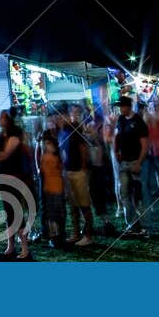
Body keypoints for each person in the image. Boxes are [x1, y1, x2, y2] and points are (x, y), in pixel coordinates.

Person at [0, 108, 33, 259]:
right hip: (4, 178)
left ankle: (24, 247)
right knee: (9, 212)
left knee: (16, 212)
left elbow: (4, 154)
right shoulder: (1, 135)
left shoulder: (15, 134)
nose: (0, 119)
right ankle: (11, 245)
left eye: (3, 117)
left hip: (14, 177)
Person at [110, 96, 148, 234]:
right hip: (124, 162)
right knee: (124, 194)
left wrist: (139, 162)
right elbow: (117, 136)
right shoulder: (121, 119)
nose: (120, 109)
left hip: (134, 162)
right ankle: (132, 224)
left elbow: (145, 145)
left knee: (137, 195)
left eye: (121, 106)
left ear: (128, 106)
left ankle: (143, 224)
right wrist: (116, 151)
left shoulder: (139, 122)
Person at [58, 105, 96, 246]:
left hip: (78, 171)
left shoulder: (75, 129)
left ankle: (88, 235)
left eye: (63, 116)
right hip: (67, 172)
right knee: (73, 205)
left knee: (84, 204)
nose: (60, 119)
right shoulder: (62, 131)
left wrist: (84, 168)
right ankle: (76, 233)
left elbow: (83, 148)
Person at [38, 127, 66, 248]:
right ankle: (54, 236)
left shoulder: (56, 157)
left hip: (57, 189)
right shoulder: (44, 157)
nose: (46, 145)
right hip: (49, 189)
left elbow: (61, 171)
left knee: (58, 213)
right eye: (45, 144)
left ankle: (59, 234)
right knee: (52, 214)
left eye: (48, 143)